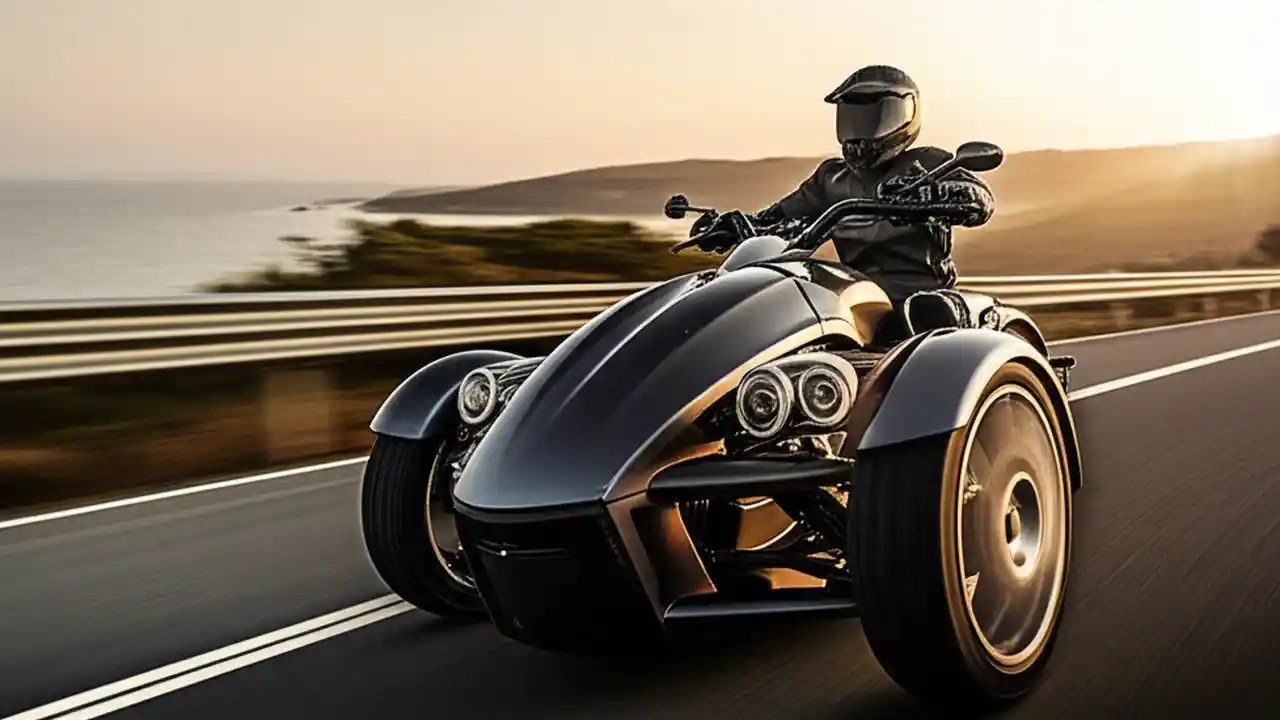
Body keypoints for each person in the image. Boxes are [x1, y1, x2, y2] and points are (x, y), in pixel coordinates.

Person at [742, 66, 995, 314]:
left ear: (908, 116)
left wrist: (940, 194)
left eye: (877, 118)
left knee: (936, 316)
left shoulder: (927, 164)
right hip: (858, 302)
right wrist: (737, 226)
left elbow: (980, 199)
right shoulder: (830, 177)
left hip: (922, 300)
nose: (861, 131)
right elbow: (779, 216)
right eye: (854, 119)